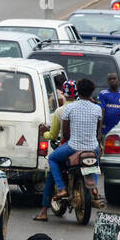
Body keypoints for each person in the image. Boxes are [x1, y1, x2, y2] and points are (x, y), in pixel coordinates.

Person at [46, 77, 105, 209]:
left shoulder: (69, 108)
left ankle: (61, 188)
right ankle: (94, 188)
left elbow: (66, 134)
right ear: (91, 92)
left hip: (73, 147)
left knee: (52, 158)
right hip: (92, 147)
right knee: (95, 158)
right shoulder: (97, 109)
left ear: (78, 91)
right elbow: (98, 131)